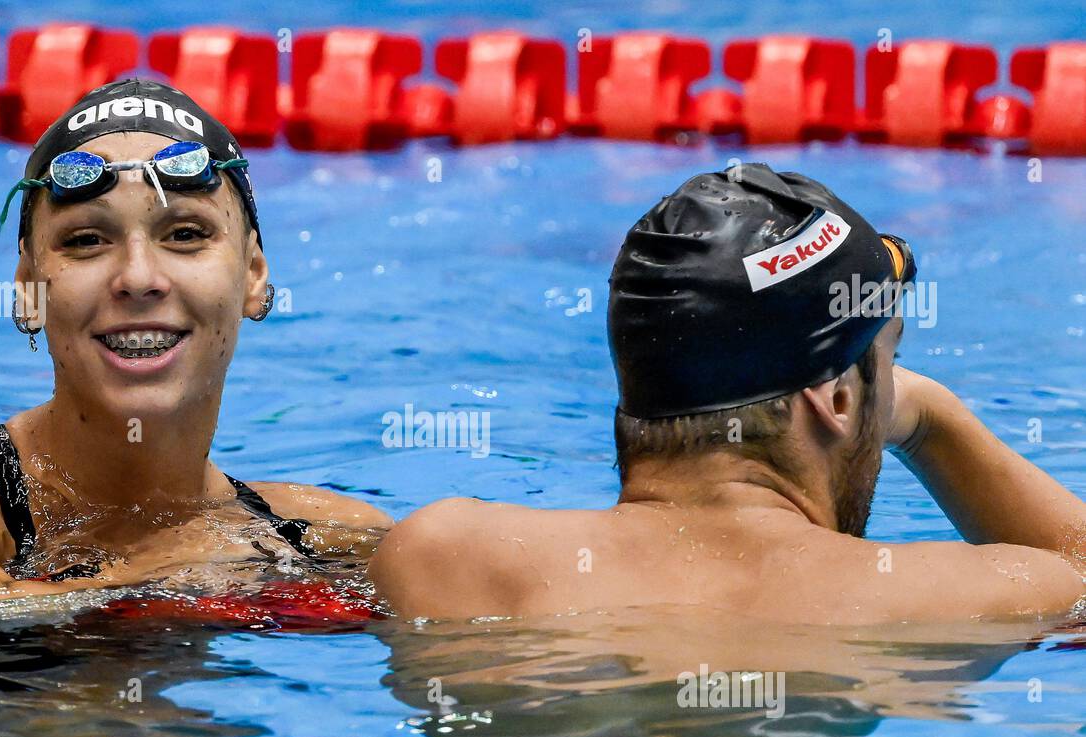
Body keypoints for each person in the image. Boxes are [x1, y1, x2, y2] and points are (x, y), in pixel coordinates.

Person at [369, 163, 1086, 625]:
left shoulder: (442, 555)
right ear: (835, 401)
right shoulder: (971, 595)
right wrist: (930, 421)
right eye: (890, 365)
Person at [0, 78, 390, 611]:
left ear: (253, 276)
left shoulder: (325, 537)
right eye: (87, 240)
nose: (139, 277)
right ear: (28, 293)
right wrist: (179, 567)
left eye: (185, 235)